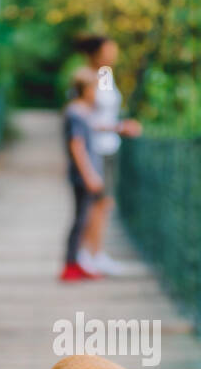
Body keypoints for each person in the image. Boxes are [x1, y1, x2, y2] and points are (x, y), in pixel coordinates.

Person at [72, 35, 142, 276]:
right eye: (109, 50)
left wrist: (119, 126)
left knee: (105, 203)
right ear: (97, 53)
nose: (114, 54)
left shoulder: (104, 77)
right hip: (96, 149)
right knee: (96, 203)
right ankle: (86, 254)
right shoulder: (85, 78)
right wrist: (120, 128)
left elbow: (106, 113)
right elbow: (84, 118)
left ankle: (94, 253)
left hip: (110, 147)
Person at [60, 66, 105, 282]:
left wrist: (120, 127)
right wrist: (89, 175)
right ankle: (70, 265)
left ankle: (76, 262)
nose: (96, 93)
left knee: (83, 219)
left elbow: (96, 128)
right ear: (85, 89)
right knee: (81, 220)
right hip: (82, 177)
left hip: (84, 175)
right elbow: (76, 145)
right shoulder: (76, 113)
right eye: (94, 89)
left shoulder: (82, 112)